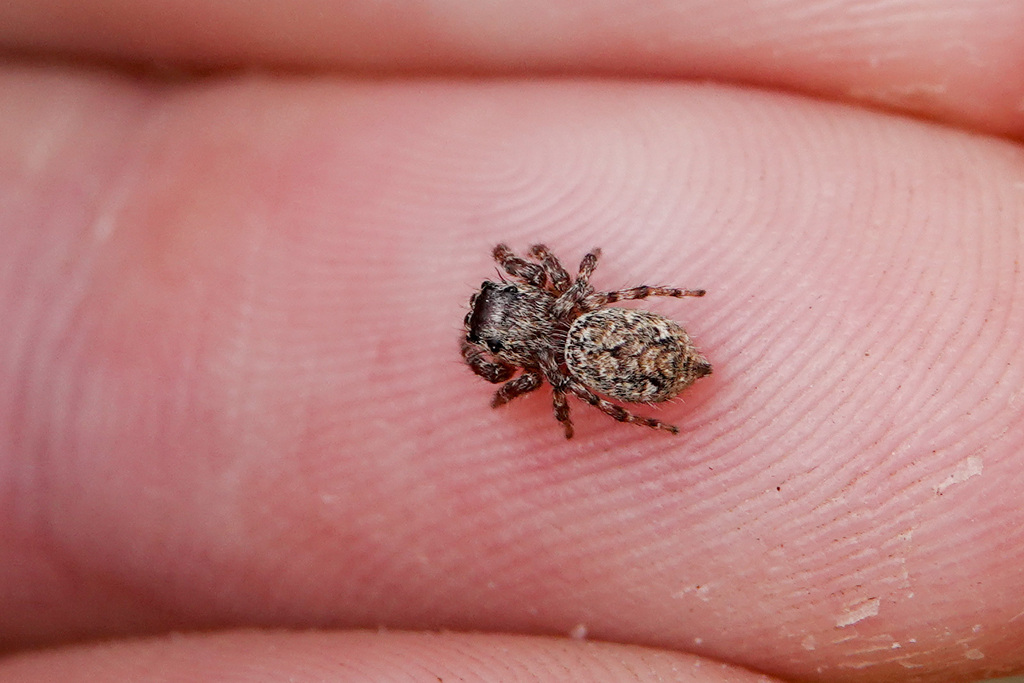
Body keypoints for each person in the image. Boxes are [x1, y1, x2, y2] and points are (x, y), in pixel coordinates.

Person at [1, 1, 1022, 680]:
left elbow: (564, 375)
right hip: (604, 334)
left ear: (521, 325)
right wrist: (628, 374)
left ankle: (666, 401)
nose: (493, 322)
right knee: (615, 347)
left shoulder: (551, 361)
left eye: (497, 318)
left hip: (606, 341)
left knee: (617, 359)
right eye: (498, 325)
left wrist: (636, 407)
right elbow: (582, 295)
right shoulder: (565, 319)